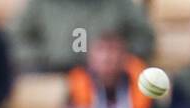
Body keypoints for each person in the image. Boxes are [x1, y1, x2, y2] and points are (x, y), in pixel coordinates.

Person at [10, 0, 154, 73]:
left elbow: (144, 38)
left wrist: (115, 56)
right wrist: (45, 57)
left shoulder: (118, 4)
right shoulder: (42, 3)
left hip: (105, 82)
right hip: (54, 74)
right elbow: (14, 40)